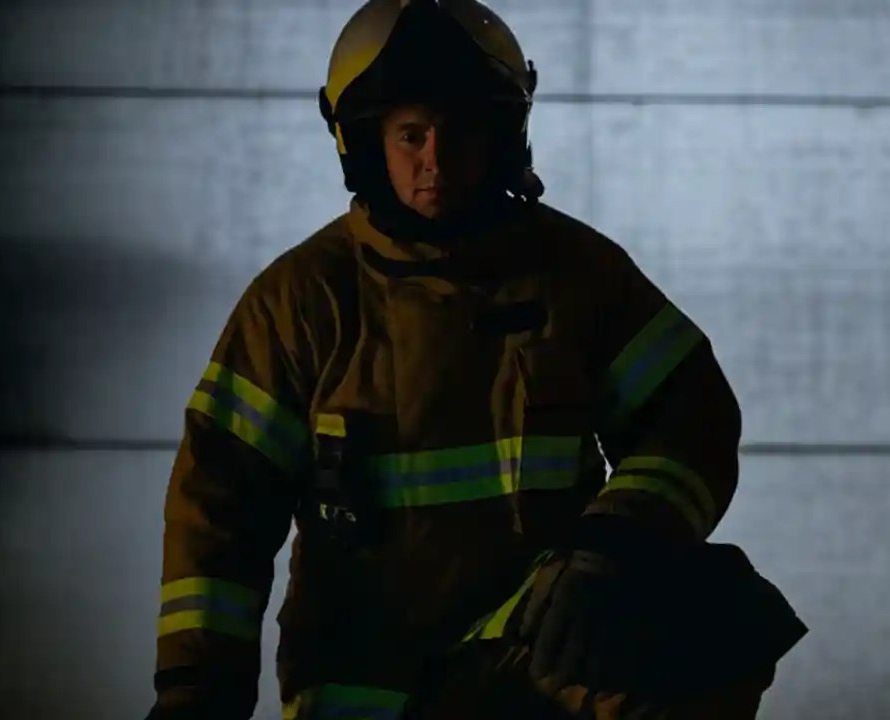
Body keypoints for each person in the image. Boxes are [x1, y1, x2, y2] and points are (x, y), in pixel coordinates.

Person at [145, 2, 805, 718]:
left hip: (529, 665)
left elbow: (690, 420)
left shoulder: (575, 275)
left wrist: (613, 544)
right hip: (366, 691)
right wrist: (196, 696)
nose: (436, 160)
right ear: (364, 143)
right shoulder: (301, 302)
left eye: (459, 131)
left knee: (716, 602)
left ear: (503, 136)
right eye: (411, 135)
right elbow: (218, 511)